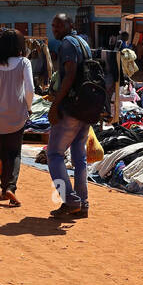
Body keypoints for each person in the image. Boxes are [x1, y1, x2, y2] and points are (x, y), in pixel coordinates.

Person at [0, 29, 35, 206]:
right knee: (15, 152)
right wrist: (28, 107)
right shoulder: (24, 62)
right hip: (18, 113)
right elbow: (30, 89)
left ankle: (5, 189)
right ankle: (10, 187)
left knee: (3, 152)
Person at [46, 13, 93, 220]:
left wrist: (55, 105)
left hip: (71, 108)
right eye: (53, 25)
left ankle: (71, 200)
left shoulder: (66, 45)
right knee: (79, 157)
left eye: (59, 25)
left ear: (69, 25)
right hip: (86, 108)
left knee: (54, 154)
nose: (55, 29)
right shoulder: (84, 42)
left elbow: (71, 74)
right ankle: (82, 204)